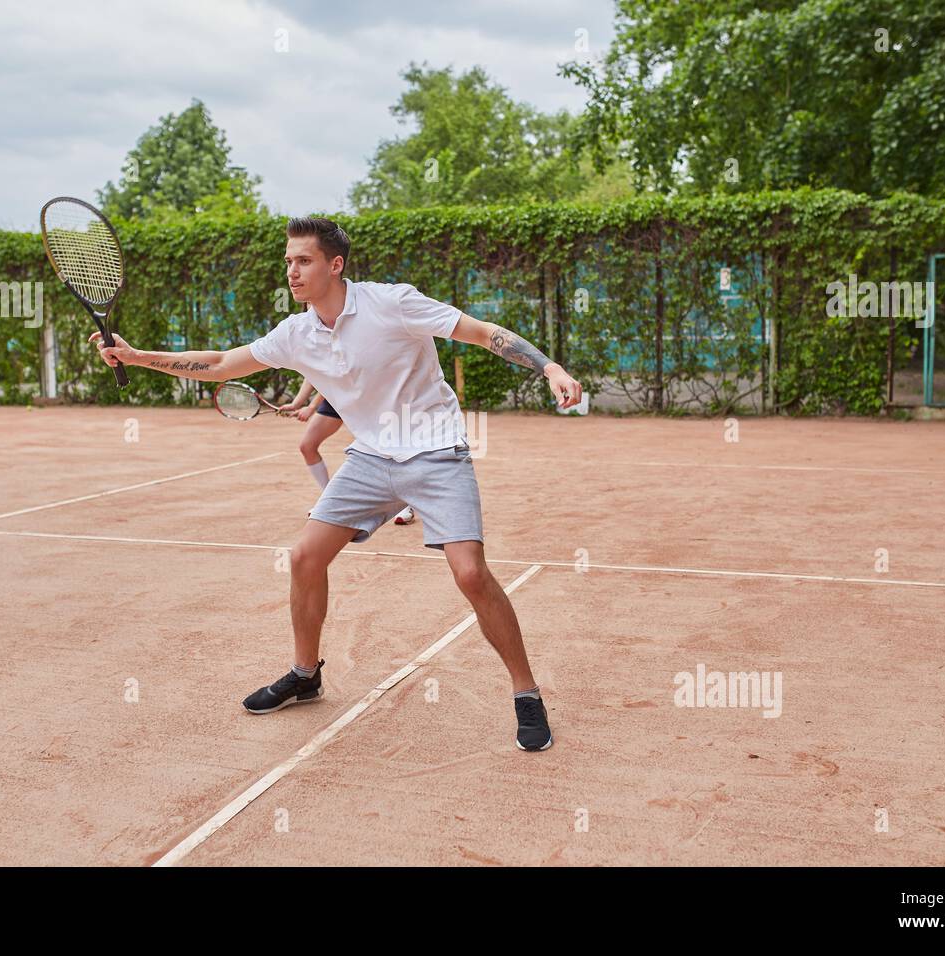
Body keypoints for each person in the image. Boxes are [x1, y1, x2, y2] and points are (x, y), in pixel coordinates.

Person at [91, 216, 583, 751]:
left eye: (303, 261)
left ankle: (526, 693)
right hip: (371, 458)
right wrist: (138, 357)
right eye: (288, 262)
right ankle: (306, 674)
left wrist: (550, 367)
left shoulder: (392, 303)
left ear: (335, 264)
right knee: (305, 557)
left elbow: (484, 333)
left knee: (469, 574)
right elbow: (221, 365)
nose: (292, 272)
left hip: (435, 451)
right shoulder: (295, 333)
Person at [283, 378, 415, 524]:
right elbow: (314, 373)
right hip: (337, 397)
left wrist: (312, 406)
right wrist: (297, 403)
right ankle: (328, 502)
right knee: (307, 446)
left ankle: (405, 504)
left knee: (389, 447)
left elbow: (331, 375)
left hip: (368, 394)